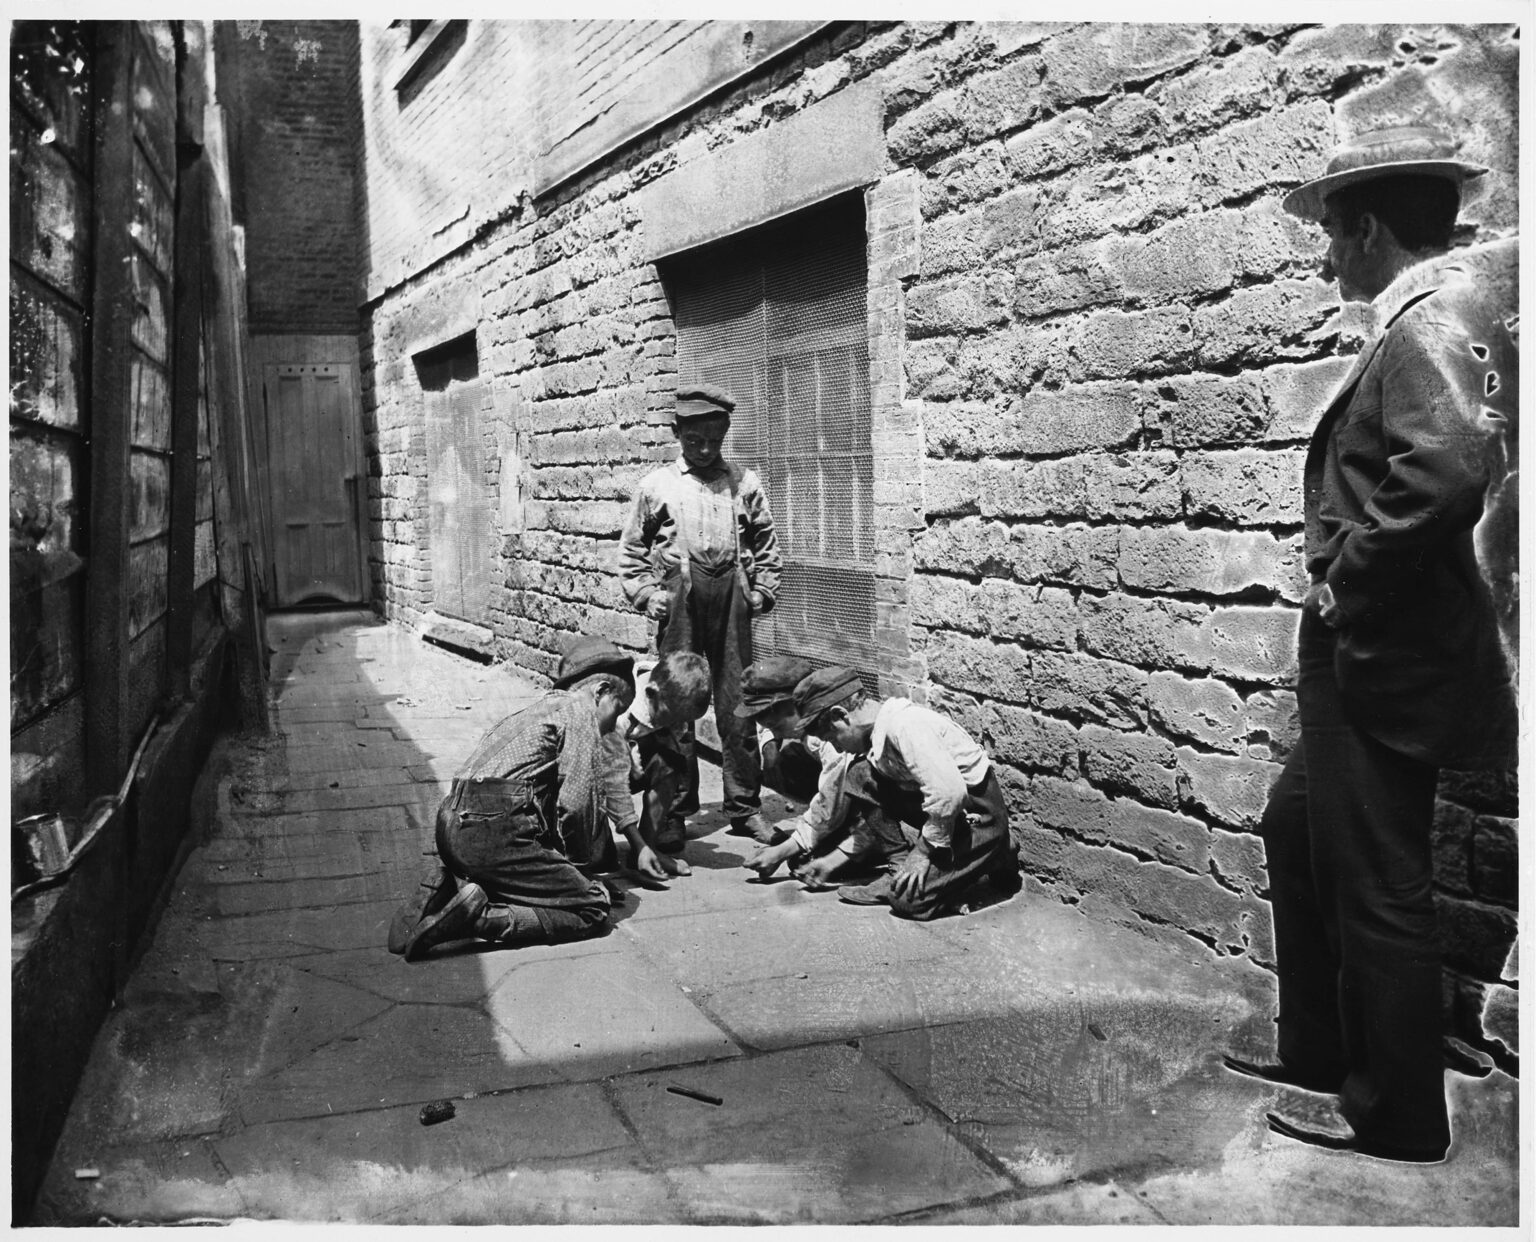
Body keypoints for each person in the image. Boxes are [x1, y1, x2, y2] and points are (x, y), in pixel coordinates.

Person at [1226, 126, 1518, 1165]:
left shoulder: (1428, 327)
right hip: (1366, 652)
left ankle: (1395, 1112)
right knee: (1295, 824)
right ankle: (1315, 1049)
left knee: (1379, 877)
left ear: (1367, 228)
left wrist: (1344, 583)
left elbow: (1442, 472)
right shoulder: (1424, 325)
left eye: (1332, 236)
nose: (1324, 259)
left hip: (1378, 652)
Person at [618, 381, 785, 848]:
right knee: (675, 705)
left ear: (725, 434)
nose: (706, 449)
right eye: (696, 441)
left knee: (739, 703)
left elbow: (767, 546)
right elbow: (631, 552)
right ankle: (673, 809)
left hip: (731, 600)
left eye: (715, 439)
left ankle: (744, 806)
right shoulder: (656, 487)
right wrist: (648, 594)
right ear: (678, 433)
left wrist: (763, 593)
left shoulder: (744, 482)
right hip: (682, 602)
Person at [387, 661, 640, 962]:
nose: (613, 726)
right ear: (600, 691)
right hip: (492, 830)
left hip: (450, 824)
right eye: (618, 709)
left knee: (525, 890)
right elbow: (575, 806)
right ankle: (479, 918)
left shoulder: (540, 709)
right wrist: (580, 877)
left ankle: (445, 884)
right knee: (592, 908)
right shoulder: (581, 713)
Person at [793, 667, 1020, 920]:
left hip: (979, 818)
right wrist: (831, 861)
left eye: (831, 737)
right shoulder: (878, 735)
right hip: (948, 819)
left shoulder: (905, 726)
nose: (836, 747)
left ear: (841, 716)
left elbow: (949, 795)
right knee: (859, 775)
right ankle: (898, 868)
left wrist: (922, 853)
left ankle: (998, 852)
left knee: (908, 901)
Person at [734, 656, 865, 886]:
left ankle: (880, 844)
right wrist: (768, 747)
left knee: (808, 857)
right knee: (787, 762)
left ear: (792, 704)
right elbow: (763, 722)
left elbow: (829, 803)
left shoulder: (830, 735)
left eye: (775, 725)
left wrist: (781, 851)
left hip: (880, 806)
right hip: (842, 793)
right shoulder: (800, 716)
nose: (771, 729)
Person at [610, 649, 713, 878]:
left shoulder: (670, 704)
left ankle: (649, 846)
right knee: (598, 859)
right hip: (602, 772)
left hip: (633, 765)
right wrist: (629, 760)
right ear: (652, 693)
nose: (678, 725)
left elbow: (672, 754)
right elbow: (608, 775)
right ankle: (636, 848)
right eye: (672, 717)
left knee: (671, 763)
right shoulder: (620, 708)